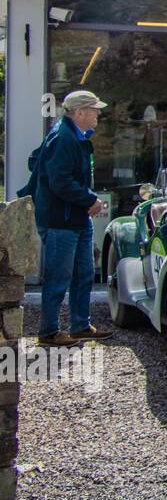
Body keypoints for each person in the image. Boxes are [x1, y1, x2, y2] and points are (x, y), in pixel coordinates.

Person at [24, 90, 114, 347]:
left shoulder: (72, 135)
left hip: (75, 218)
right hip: (60, 221)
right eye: (94, 109)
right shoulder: (63, 138)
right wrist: (89, 199)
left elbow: (36, 161)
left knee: (83, 273)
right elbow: (59, 180)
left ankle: (80, 326)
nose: (98, 113)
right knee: (58, 278)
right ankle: (49, 332)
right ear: (79, 112)